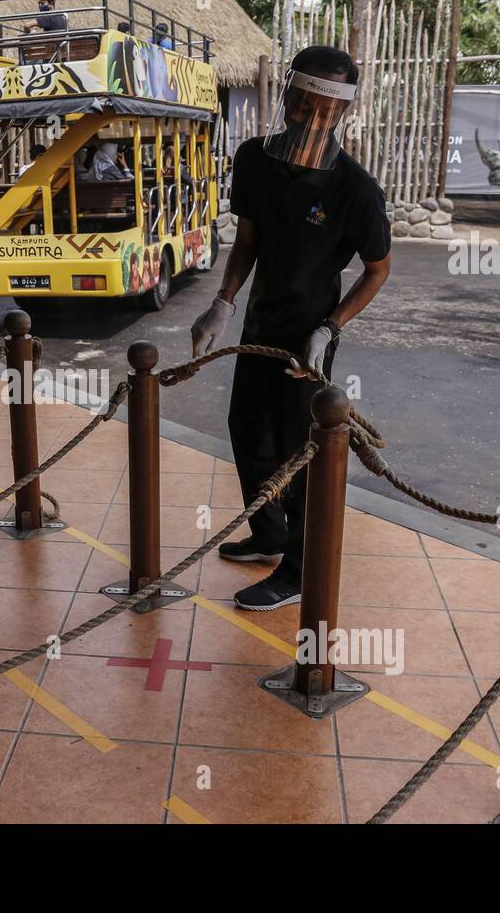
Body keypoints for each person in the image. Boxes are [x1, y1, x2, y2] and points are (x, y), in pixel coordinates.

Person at [190, 46, 392, 611]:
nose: (311, 116)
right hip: (258, 324)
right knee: (245, 431)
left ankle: (298, 569)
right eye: (302, 101)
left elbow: (377, 271)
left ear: (343, 112)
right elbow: (249, 240)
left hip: (307, 341)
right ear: (287, 96)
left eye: (326, 107)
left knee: (297, 451)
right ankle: (270, 535)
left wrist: (330, 328)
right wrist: (223, 303)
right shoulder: (254, 159)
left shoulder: (355, 189)